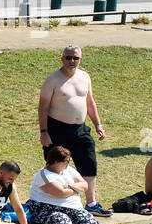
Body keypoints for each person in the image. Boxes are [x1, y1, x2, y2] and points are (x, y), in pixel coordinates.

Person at [39, 45, 109, 213]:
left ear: (80, 60)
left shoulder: (85, 77)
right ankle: (57, 202)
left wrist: (98, 124)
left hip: (80, 129)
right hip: (57, 128)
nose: (72, 61)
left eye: (75, 58)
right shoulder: (53, 80)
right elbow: (43, 108)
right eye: (68, 57)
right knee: (57, 166)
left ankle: (91, 203)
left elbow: (90, 102)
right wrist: (44, 132)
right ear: (62, 59)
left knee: (89, 163)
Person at [26, 145, 106, 224]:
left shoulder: (69, 171)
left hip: (74, 209)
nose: (69, 163)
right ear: (56, 162)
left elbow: (85, 185)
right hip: (46, 210)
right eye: (66, 161)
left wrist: (68, 186)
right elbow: (59, 193)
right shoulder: (44, 174)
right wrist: (75, 188)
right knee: (64, 223)